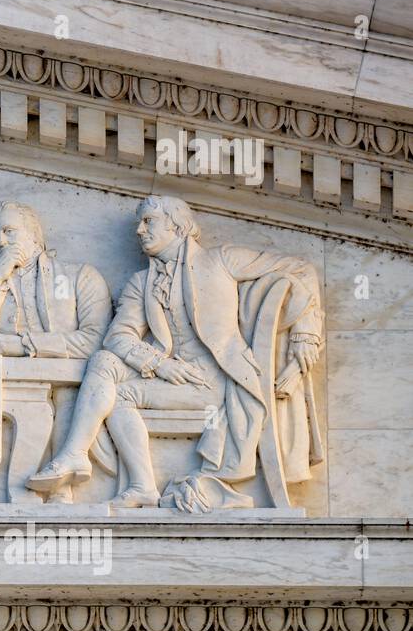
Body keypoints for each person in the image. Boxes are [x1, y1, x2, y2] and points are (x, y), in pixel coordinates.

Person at [28, 195, 323, 510]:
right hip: (172, 378)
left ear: (177, 225)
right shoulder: (141, 283)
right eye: (140, 224)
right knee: (104, 362)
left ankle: (87, 461)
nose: (140, 231)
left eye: (148, 221)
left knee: (117, 393)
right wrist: (160, 364)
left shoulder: (221, 260)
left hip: (218, 383)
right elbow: (118, 337)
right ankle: (112, 472)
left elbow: (301, 270)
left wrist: (306, 334)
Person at [0, 201, 111, 503]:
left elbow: (96, 341)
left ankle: (60, 489)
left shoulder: (80, 277)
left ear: (34, 233)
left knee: (69, 394)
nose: (1, 242)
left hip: (63, 385)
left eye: (8, 231)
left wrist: (22, 344)